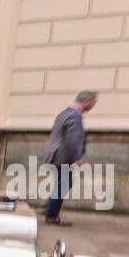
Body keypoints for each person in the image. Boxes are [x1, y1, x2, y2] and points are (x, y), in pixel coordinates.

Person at [42, 91, 98, 227]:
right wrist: (77, 157)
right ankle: (52, 216)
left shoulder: (65, 113)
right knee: (64, 184)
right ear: (87, 101)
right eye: (93, 103)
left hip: (55, 154)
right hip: (63, 156)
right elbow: (72, 139)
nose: (93, 106)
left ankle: (49, 208)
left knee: (62, 183)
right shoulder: (75, 116)